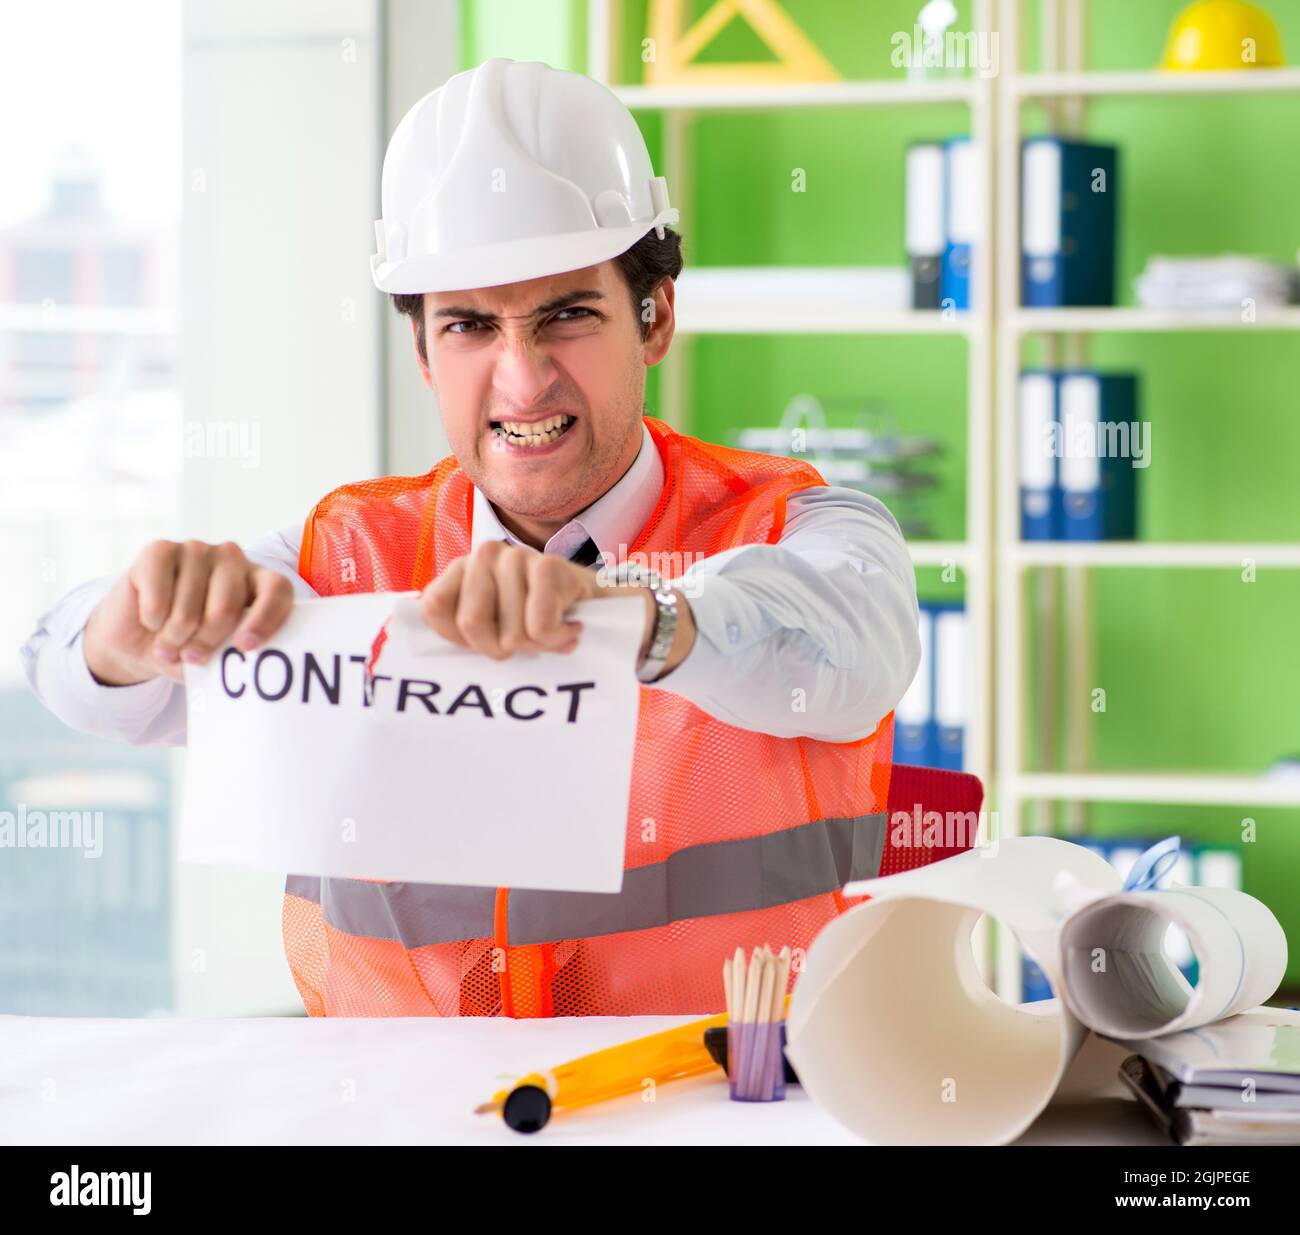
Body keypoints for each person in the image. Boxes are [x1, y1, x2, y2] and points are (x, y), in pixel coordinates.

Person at [21, 57, 920, 1018]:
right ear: (421, 350)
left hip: (718, 1109)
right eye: (470, 327)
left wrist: (631, 622)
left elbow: (856, 648)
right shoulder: (347, 557)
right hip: (403, 1115)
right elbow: (76, 679)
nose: (523, 380)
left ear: (653, 316)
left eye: (567, 315)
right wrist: (129, 629)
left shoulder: (796, 524)